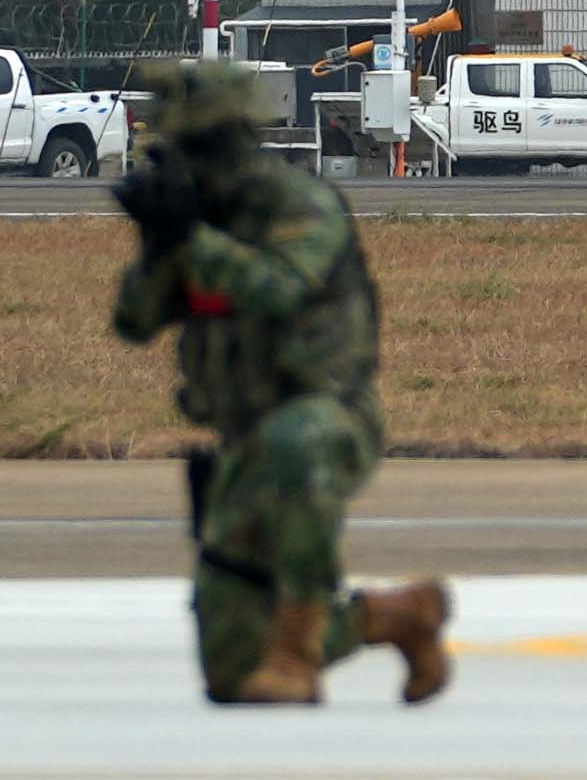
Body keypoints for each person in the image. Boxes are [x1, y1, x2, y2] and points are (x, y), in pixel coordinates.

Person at [104, 57, 450, 708]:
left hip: (328, 419)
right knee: (231, 673)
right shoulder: (198, 223)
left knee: (298, 439)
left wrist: (192, 241)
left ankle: (296, 657)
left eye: (206, 149)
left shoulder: (299, 207)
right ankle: (397, 616)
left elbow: (277, 288)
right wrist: (158, 245)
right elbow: (134, 322)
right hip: (243, 439)